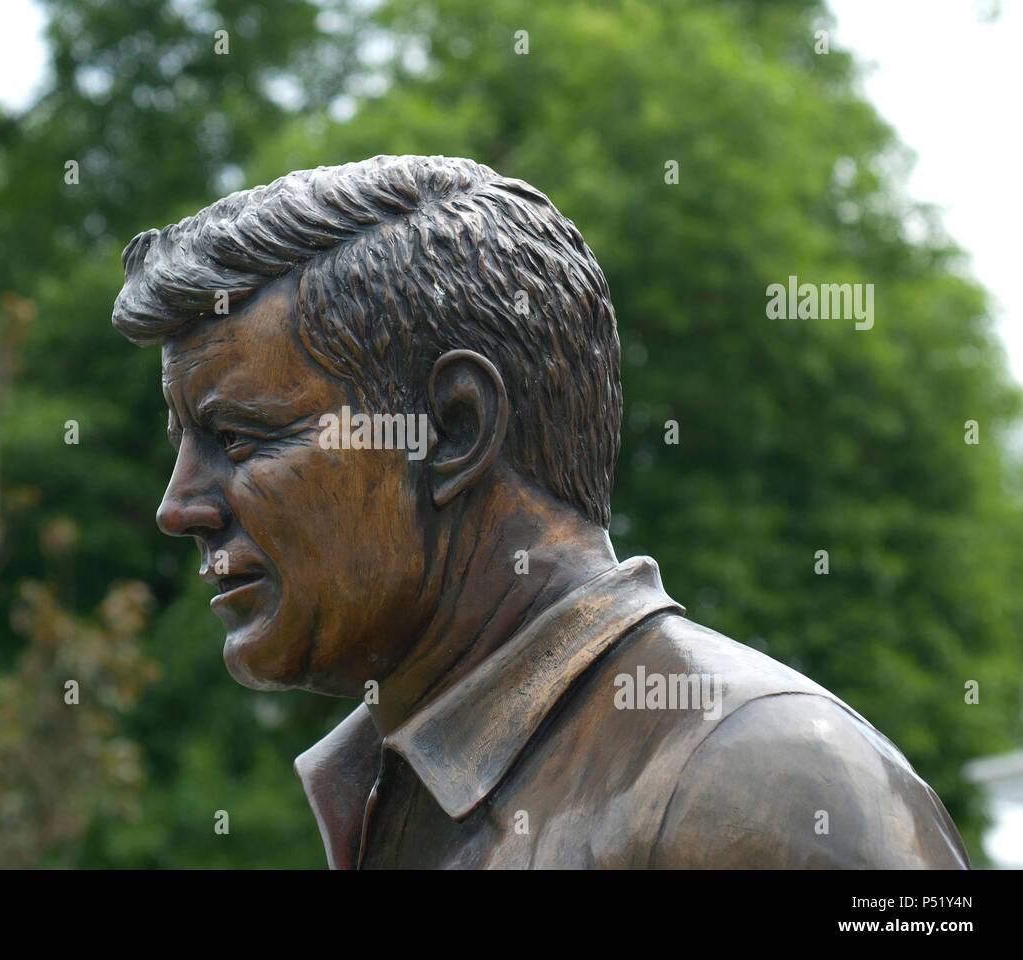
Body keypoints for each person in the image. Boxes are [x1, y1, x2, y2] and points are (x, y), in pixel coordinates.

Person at [111, 155, 969, 869]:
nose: (178, 506)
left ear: (453, 430)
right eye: (186, 443)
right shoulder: (389, 795)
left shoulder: (768, 783)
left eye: (238, 438)